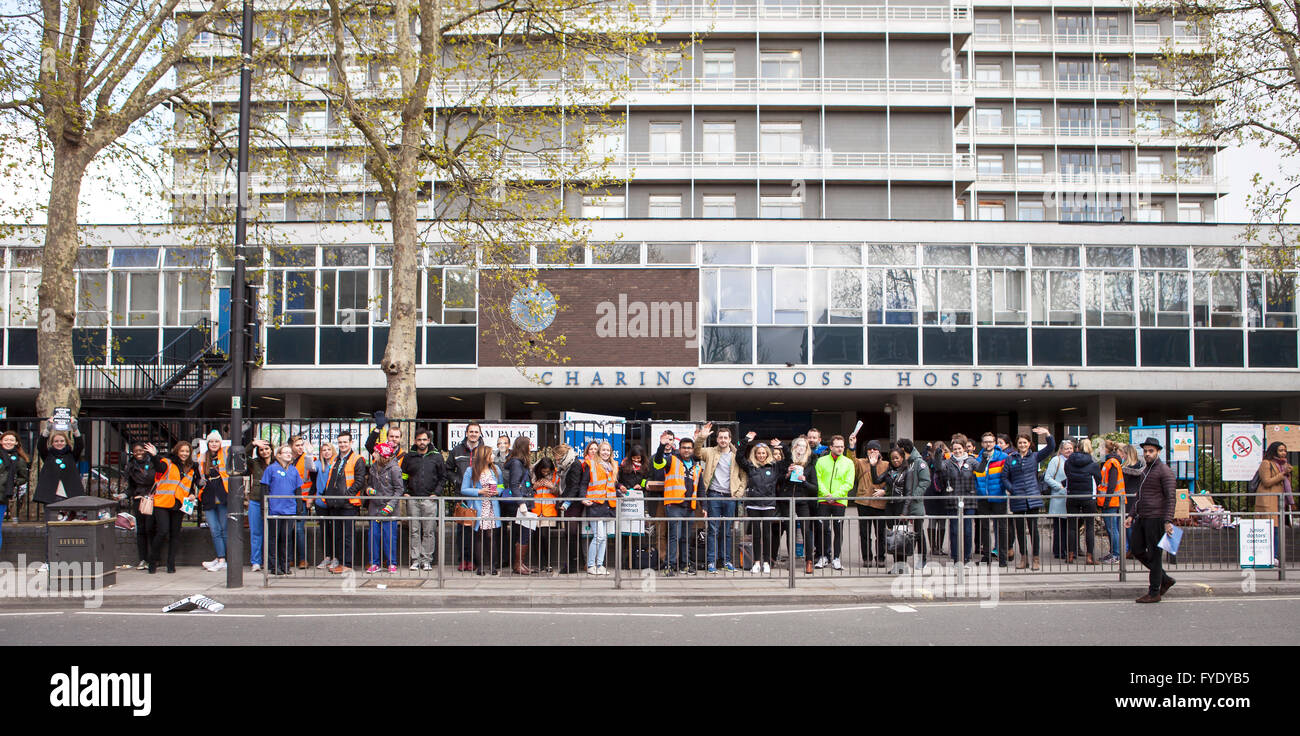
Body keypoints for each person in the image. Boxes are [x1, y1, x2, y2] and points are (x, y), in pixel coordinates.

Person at [1127, 437, 1176, 603]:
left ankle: (1154, 592)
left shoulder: (1164, 471)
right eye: (1145, 451)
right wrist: (1131, 514)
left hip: (1156, 518)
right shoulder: (1145, 471)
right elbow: (1139, 496)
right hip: (1142, 516)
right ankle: (1165, 578)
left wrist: (1167, 520)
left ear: (1158, 452)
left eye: (1151, 451)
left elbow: (1171, 498)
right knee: (1136, 549)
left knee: (1155, 555)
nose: (1147, 454)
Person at [694, 423, 747, 573]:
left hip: (730, 497)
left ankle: (726, 561)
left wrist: (739, 493)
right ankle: (711, 562)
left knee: (727, 531)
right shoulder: (710, 452)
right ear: (716, 439)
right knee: (712, 529)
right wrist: (701, 437)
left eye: (726, 437)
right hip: (713, 495)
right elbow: (696, 452)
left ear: (730, 439)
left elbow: (744, 476)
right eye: (720, 437)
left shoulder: (736, 456)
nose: (723, 440)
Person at [1000, 428, 1054, 570]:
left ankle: (1035, 558)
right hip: (1017, 498)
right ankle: (1023, 557)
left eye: (1025, 442)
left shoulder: (1035, 456)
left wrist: (1047, 434)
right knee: (1019, 529)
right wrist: (1012, 489)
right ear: (1017, 444)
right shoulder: (1010, 458)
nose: (1022, 445)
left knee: (1033, 529)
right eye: (1020, 442)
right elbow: (1004, 477)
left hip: (1032, 496)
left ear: (1029, 444)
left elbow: (1051, 448)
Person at [652, 432, 704, 576]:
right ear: (679, 449)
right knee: (675, 536)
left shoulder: (697, 467)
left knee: (686, 537)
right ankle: (669, 565)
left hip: (689, 507)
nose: (686, 450)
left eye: (689, 447)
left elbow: (701, 488)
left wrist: (704, 507)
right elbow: (657, 463)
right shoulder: (671, 460)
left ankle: (685, 565)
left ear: (693, 450)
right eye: (684, 447)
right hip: (674, 505)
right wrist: (661, 446)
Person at [145, 441, 200, 574]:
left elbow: (194, 484)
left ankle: (171, 564)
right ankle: (152, 560)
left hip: (179, 503)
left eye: (187, 451)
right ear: (176, 451)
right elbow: (158, 467)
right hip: (162, 502)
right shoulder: (167, 462)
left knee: (175, 534)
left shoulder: (193, 466)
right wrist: (154, 456)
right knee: (163, 531)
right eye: (182, 451)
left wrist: (193, 494)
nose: (184, 454)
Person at [736, 432, 786, 574]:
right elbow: (739, 457)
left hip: (769, 504)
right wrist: (745, 440)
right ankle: (756, 562)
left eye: (764, 453)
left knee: (767, 534)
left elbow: (788, 460)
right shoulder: (750, 466)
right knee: (756, 534)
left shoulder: (774, 467)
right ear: (755, 454)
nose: (761, 455)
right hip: (753, 504)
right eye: (759, 453)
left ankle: (766, 562)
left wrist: (781, 446)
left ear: (767, 454)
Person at [402, 428, 446, 571]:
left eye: (424, 440)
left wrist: (437, 493)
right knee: (414, 530)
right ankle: (415, 560)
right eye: (419, 440)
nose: (422, 442)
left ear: (429, 441)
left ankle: (426, 559)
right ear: (415, 441)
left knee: (429, 531)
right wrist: (405, 492)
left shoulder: (437, 457)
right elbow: (403, 476)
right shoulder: (409, 457)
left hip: (430, 499)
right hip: (413, 499)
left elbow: (442, 477)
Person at [809, 435, 855, 570]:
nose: (840, 448)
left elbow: (849, 483)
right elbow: (817, 479)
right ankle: (823, 556)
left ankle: (836, 558)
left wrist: (835, 495)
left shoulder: (848, 462)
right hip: (823, 500)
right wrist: (826, 494)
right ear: (831, 447)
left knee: (838, 531)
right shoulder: (821, 461)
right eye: (837, 446)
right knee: (822, 530)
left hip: (839, 501)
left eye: (842, 446)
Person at [324, 430, 367, 574]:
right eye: (340, 442)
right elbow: (331, 480)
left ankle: (347, 564)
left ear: (351, 443)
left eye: (345, 442)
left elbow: (360, 481)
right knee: (338, 535)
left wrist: (347, 495)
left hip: (349, 503)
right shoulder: (336, 459)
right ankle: (341, 562)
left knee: (348, 535)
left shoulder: (357, 459)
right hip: (335, 503)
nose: (342, 444)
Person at [259, 444, 303, 576]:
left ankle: (285, 565)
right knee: (274, 538)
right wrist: (264, 508)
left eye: (290, 452)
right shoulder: (271, 469)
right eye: (285, 452)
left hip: (289, 509)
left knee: (286, 538)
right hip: (275, 509)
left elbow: (298, 490)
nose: (289, 454)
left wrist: (298, 506)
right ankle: (274, 565)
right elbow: (264, 489)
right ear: (279, 455)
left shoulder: (294, 470)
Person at [559, 441, 600, 574]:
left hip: (576, 502)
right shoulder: (572, 464)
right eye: (591, 449)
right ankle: (576, 563)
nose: (557, 459)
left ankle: (572, 565)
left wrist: (565, 502)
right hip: (576, 501)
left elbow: (575, 486)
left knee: (572, 533)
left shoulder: (575, 464)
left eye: (558, 456)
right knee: (572, 533)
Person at [461, 444, 503, 575]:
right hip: (479, 506)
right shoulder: (471, 470)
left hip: (492, 506)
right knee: (479, 536)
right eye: (491, 454)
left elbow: (501, 486)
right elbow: (464, 489)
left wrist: (498, 492)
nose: (493, 456)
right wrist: (479, 491)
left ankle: (493, 566)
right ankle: (480, 567)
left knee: (491, 536)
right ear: (484, 456)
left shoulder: (496, 470)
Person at [365, 441, 404, 574]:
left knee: (389, 538)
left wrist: (390, 506)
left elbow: (399, 490)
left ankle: (391, 563)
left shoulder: (395, 469)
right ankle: (374, 562)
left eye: (375, 452)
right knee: (373, 536)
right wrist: (369, 489)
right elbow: (368, 484)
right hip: (375, 508)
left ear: (382, 454)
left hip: (389, 509)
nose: (373, 454)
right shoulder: (373, 467)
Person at [972, 431, 1010, 567]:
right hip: (983, 497)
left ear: (994, 443)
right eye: (985, 441)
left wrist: (1003, 489)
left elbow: (1006, 476)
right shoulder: (978, 459)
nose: (988, 444)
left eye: (991, 441)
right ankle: (986, 556)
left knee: (1001, 527)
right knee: (984, 528)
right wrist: (978, 491)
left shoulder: (1003, 457)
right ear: (982, 443)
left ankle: (1003, 557)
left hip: (998, 496)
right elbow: (975, 476)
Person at [450, 423, 483, 571]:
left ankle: (474, 561)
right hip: (462, 496)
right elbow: (448, 469)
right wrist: (457, 480)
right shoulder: (456, 450)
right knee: (462, 530)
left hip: (478, 496)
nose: (474, 434)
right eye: (471, 431)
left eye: (476, 432)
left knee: (476, 530)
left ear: (480, 434)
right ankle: (463, 560)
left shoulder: (484, 451)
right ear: (466, 433)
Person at [1064, 437, 1103, 565]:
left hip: (1072, 496)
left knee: (1071, 527)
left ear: (1076, 448)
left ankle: (1070, 555)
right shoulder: (1093, 464)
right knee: (1089, 527)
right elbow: (1099, 480)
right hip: (1088, 497)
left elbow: (1067, 474)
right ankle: (1089, 557)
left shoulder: (1069, 462)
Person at [583, 441, 619, 575]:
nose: (605, 453)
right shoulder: (591, 464)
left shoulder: (612, 467)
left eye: (608, 450)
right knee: (599, 536)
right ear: (599, 452)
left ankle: (600, 565)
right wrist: (583, 498)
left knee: (603, 537)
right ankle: (591, 565)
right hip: (594, 504)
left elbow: (611, 485)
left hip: (606, 505)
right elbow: (584, 483)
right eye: (603, 450)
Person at [854, 440, 890, 568]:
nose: (873, 451)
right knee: (864, 533)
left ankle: (880, 557)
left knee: (880, 533)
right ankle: (867, 558)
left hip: (880, 503)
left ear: (879, 451)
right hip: (863, 502)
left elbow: (891, 480)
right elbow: (851, 459)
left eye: (875, 449)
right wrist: (852, 446)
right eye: (870, 449)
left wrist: (885, 491)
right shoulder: (861, 463)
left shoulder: (886, 464)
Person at [198, 430, 230, 572]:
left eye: (216, 441)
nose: (214, 444)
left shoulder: (225, 453)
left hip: (223, 497)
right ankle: (220, 558)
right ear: (208, 443)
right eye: (211, 441)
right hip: (209, 497)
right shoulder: (201, 457)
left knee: (223, 530)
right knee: (214, 530)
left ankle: (223, 559)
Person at [942, 436, 978, 564]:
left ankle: (967, 557)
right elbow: (939, 469)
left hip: (969, 500)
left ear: (964, 448)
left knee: (967, 531)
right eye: (955, 449)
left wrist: (984, 458)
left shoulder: (972, 461)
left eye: (959, 448)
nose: (957, 451)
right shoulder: (947, 462)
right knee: (955, 531)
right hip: (953, 500)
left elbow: (981, 469)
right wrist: (936, 457)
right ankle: (956, 557)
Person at [1257, 441, 1293, 566]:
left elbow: (1286, 484)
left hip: (1279, 500)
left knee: (1277, 529)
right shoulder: (1266, 463)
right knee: (1272, 529)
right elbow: (1267, 481)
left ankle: (1275, 556)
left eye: (1284, 450)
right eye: (1280, 450)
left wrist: (1287, 473)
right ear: (1274, 451)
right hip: (1267, 500)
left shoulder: (1283, 465)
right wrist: (1283, 474)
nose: (1283, 453)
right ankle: (1272, 557)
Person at [34, 419, 84, 507]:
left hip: (69, 493)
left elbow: (80, 446)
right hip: (51, 494)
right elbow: (40, 445)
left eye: (62, 441)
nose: (59, 443)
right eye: (56, 441)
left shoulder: (71, 455)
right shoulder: (48, 455)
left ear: (66, 442)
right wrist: (48, 429)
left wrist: (75, 429)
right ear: (52, 443)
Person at [504, 435, 535, 575]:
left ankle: (520, 563)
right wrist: (521, 503)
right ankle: (518, 565)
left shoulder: (521, 462)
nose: (531, 448)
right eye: (529, 445)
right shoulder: (517, 463)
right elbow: (514, 485)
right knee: (523, 533)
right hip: (521, 505)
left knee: (524, 533)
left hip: (525, 502)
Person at [897, 438, 930, 565]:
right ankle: (901, 563)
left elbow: (925, 481)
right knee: (902, 534)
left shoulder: (919, 463)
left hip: (915, 505)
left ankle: (922, 559)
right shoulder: (902, 462)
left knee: (918, 533)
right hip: (903, 505)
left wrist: (914, 496)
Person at [122, 441, 154, 569]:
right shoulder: (131, 466)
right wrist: (125, 495)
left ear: (145, 451)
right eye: (135, 451)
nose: (138, 453)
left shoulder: (152, 463)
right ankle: (143, 559)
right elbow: (131, 486)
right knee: (140, 530)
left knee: (151, 528)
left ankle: (153, 557)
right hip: (138, 498)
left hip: (152, 498)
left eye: (141, 450)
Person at [246, 438, 275, 571]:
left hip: (273, 501)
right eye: (261, 450)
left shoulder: (277, 462)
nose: (264, 452)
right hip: (256, 500)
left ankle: (269, 560)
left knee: (270, 532)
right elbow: (242, 456)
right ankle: (256, 561)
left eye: (266, 449)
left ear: (271, 450)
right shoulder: (255, 463)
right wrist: (252, 444)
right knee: (256, 532)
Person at [289, 435, 316, 569]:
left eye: (301, 445)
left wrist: (311, 497)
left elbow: (313, 476)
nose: (300, 448)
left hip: (302, 498)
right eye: (297, 445)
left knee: (299, 529)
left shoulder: (307, 458)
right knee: (288, 529)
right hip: (289, 499)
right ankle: (289, 558)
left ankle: (303, 559)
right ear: (291, 447)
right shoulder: (288, 459)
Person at [1097, 440, 1127, 563]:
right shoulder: (1111, 462)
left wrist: (1106, 501)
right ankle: (1114, 553)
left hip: (1111, 501)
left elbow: (1112, 484)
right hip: (1112, 500)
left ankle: (1116, 554)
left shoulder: (1112, 463)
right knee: (1112, 528)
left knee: (1112, 528)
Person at [0, 432, 30, 553]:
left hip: (2, 495)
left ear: (16, 442)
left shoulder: (19, 460)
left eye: (11, 440)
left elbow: (24, 477)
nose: (8, 442)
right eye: (6, 439)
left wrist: (13, 481)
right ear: (1, 441)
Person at [530, 456, 561, 573]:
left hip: (549, 511)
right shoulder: (533, 475)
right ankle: (539, 563)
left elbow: (560, 492)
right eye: (543, 471)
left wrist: (552, 487)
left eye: (547, 471)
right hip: (535, 511)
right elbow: (529, 490)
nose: (545, 473)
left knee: (545, 536)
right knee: (536, 538)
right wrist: (534, 487)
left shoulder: (556, 476)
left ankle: (548, 563)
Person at [1043, 440, 1072, 560]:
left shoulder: (1073, 461)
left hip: (1069, 498)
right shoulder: (1056, 460)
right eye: (1066, 448)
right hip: (1059, 497)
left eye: (1071, 448)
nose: (1069, 450)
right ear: (1061, 450)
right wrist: (1059, 487)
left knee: (1067, 526)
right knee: (1059, 526)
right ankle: (1059, 550)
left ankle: (1067, 549)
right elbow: (1047, 477)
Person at [311, 441, 337, 569]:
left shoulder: (336, 463)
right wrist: (309, 453)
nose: (326, 452)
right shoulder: (318, 464)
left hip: (333, 501)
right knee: (324, 530)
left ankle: (335, 557)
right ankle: (327, 556)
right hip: (321, 502)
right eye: (324, 450)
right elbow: (309, 467)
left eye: (328, 449)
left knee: (335, 530)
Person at [923, 441, 949, 555]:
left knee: (942, 521)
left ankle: (940, 547)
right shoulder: (929, 460)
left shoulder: (948, 461)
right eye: (937, 449)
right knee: (932, 520)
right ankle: (933, 547)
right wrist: (926, 449)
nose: (940, 451)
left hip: (943, 493)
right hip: (931, 493)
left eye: (941, 449)